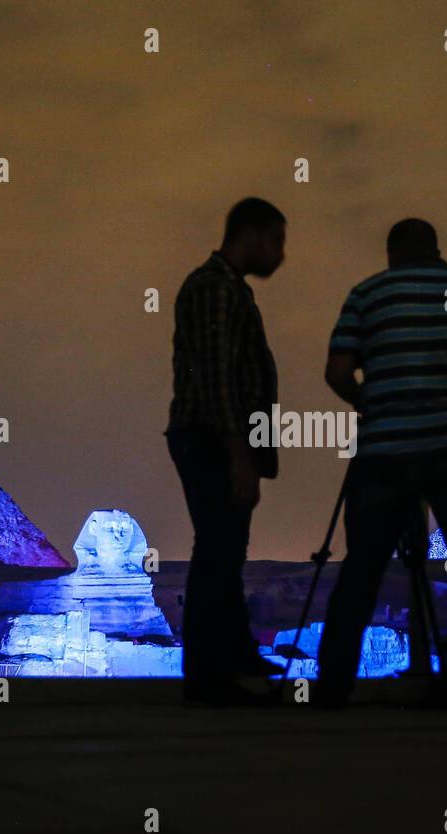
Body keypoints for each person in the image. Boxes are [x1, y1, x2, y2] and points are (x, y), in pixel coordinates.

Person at [316, 218, 447, 710]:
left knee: (364, 564)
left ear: (391, 255)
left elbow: (337, 372)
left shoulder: (367, 294)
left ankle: (333, 684)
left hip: (387, 450)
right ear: (437, 250)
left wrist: (373, 401)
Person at [166, 197, 287, 705]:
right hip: (214, 439)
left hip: (220, 438)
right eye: (277, 241)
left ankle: (230, 659)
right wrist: (241, 453)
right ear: (252, 234)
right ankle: (208, 674)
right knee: (217, 551)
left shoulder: (226, 288)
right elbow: (218, 380)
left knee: (224, 551)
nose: (281, 255)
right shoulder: (215, 288)